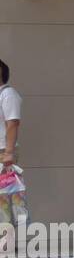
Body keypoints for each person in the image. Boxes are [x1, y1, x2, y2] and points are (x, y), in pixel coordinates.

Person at [0, 58, 24, 226]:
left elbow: (13, 122)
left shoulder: (8, 94)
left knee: (4, 197)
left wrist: (9, 152)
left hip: (2, 152)